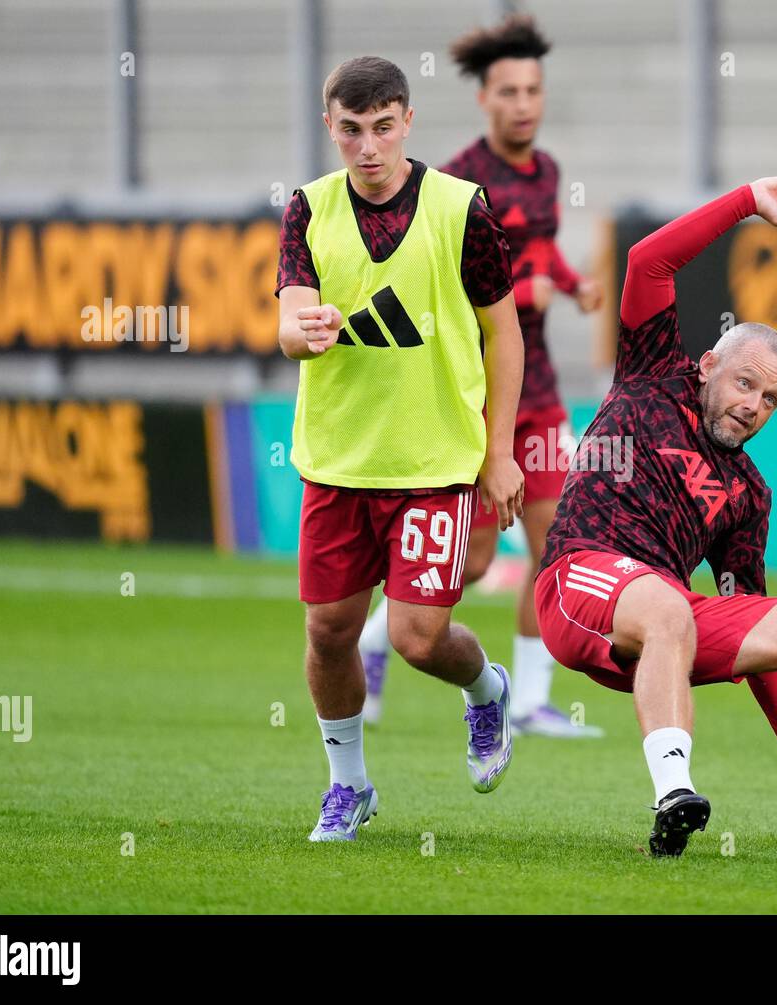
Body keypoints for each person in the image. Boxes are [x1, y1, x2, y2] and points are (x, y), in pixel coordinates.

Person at [533, 175, 777, 856]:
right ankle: (673, 792)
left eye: (771, 398)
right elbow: (647, 260)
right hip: (579, 582)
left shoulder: (748, 492)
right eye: (745, 383)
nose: (753, 405)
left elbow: (745, 605)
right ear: (709, 363)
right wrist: (748, 200)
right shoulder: (654, 374)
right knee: (669, 604)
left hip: (665, 622)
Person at [276, 56, 525, 841]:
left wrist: (500, 451)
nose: (368, 147)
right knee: (328, 632)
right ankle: (348, 784)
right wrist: (300, 335)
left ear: (407, 121)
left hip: (433, 464)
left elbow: (503, 334)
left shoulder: (462, 209)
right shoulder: (307, 209)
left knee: (418, 638)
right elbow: (290, 322)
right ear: (332, 128)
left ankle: (487, 691)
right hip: (339, 462)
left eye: (383, 127)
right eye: (351, 131)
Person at [359, 15, 605, 739]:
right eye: (509, 91)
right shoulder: (458, 184)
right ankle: (375, 644)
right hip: (478, 395)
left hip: (541, 391)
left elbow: (541, 251)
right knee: (466, 564)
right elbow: (443, 288)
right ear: (484, 100)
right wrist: (519, 293)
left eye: (532, 89)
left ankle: (529, 699)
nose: (523, 103)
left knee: (556, 542)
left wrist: (569, 281)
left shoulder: (550, 171)